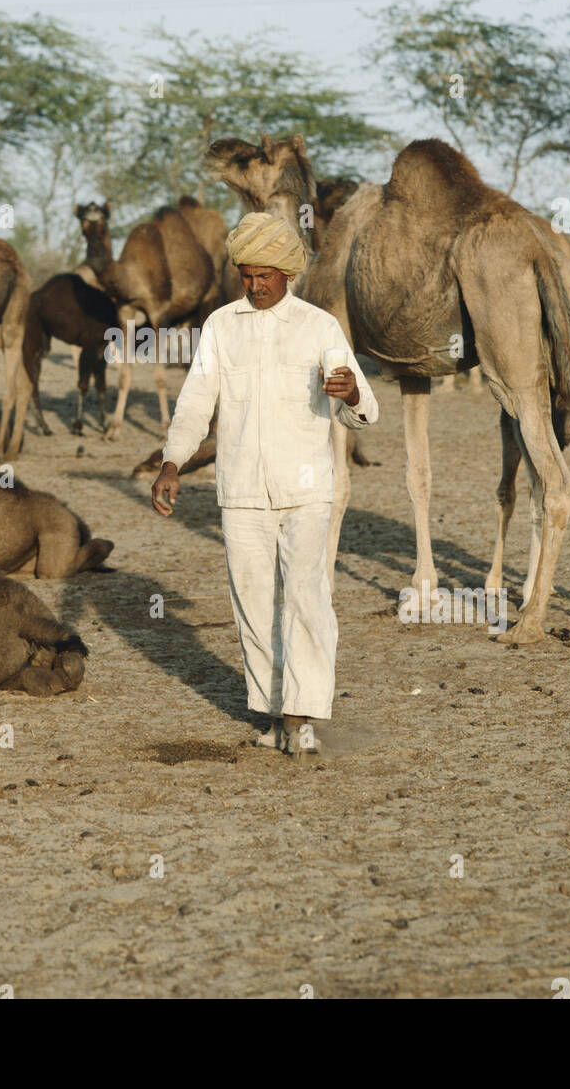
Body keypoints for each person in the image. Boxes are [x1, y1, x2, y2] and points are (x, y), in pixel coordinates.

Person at [150, 212, 377, 756]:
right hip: (242, 492)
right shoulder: (222, 326)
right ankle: (274, 713)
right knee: (252, 603)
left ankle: (303, 715)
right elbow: (196, 403)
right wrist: (172, 462)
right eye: (245, 275)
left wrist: (349, 396)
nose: (253, 286)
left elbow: (364, 412)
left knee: (306, 598)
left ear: (287, 273)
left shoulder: (320, 327)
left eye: (264, 276)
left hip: (306, 492)